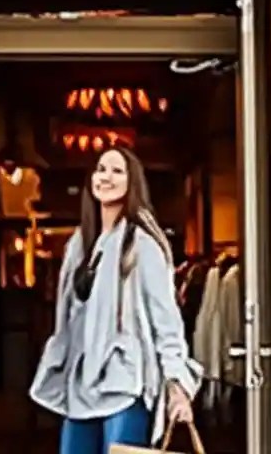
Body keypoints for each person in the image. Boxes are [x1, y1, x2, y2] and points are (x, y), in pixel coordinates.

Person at [30, 145, 203, 454]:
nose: (106, 177)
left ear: (131, 182)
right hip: (81, 386)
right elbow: (69, 319)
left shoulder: (143, 245)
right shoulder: (79, 245)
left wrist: (177, 384)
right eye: (101, 169)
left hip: (125, 386)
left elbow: (166, 322)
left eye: (117, 171)